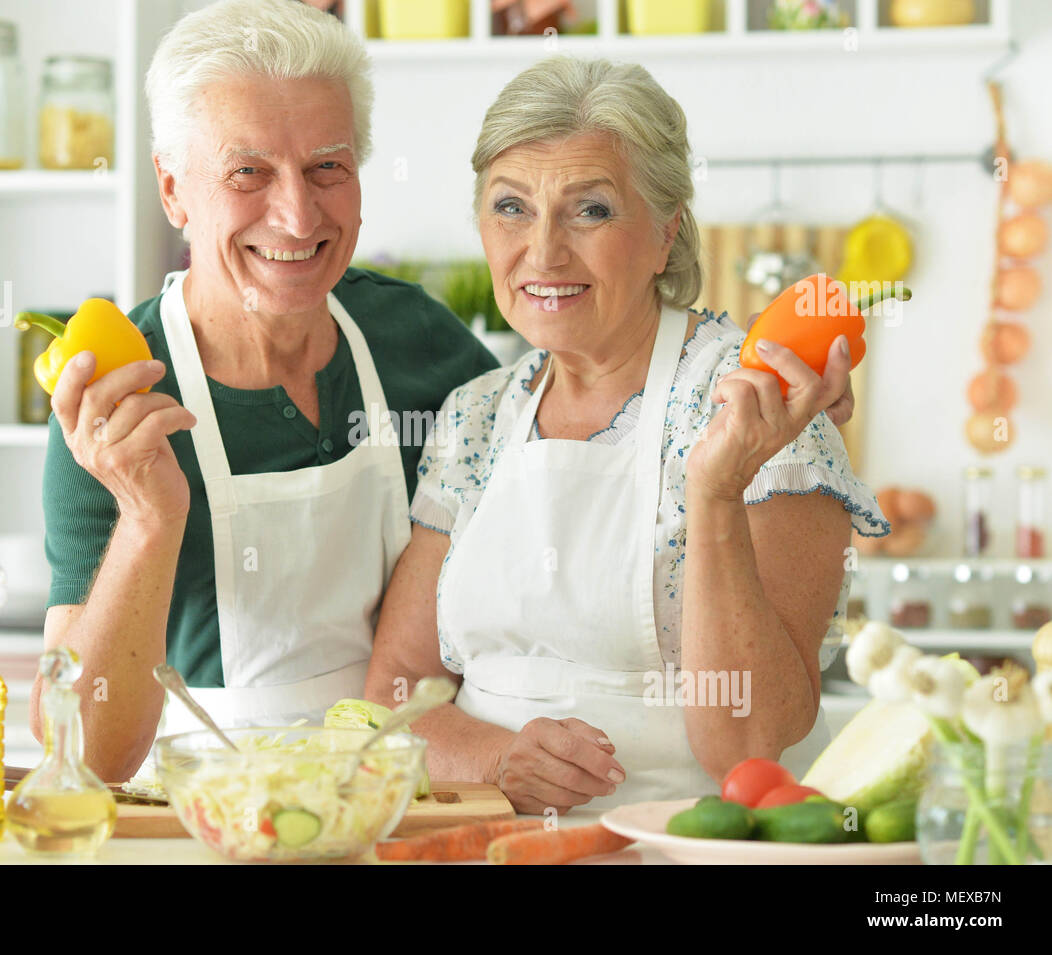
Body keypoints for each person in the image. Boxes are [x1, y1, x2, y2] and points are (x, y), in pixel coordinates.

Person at [364, 57, 889, 812]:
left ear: (665, 229)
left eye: (592, 211)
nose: (543, 252)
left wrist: (712, 491)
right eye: (511, 207)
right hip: (497, 845)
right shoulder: (476, 416)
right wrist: (498, 759)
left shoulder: (759, 407)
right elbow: (393, 697)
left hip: (692, 847)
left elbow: (749, 744)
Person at [32, 0, 498, 781]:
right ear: (174, 189)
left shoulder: (417, 340)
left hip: (407, 803)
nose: (296, 213)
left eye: (328, 167)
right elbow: (86, 753)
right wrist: (150, 515)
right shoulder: (121, 398)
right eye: (249, 172)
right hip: (200, 814)